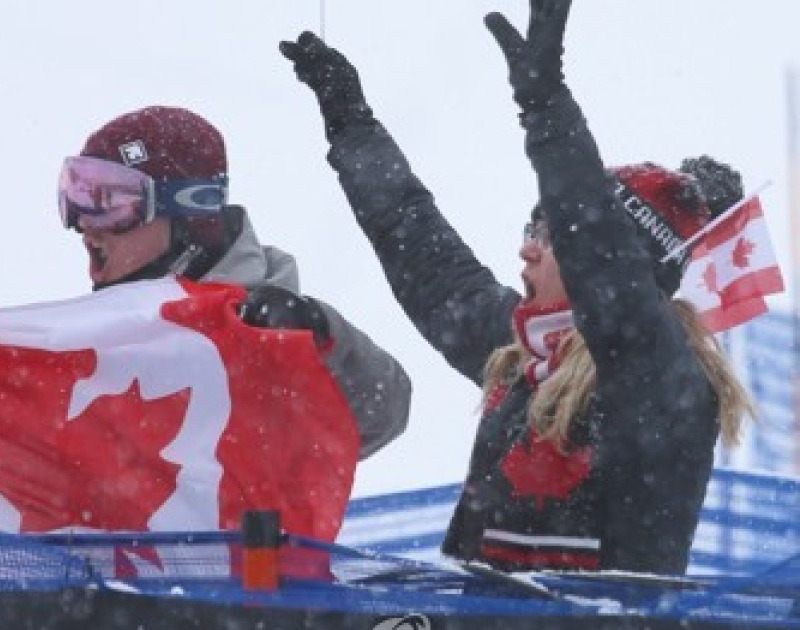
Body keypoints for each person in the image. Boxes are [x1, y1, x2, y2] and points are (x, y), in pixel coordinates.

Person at [280, 0, 752, 574]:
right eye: (532, 228)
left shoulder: (662, 375)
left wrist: (548, 107)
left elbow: (608, 277)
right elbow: (419, 246)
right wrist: (352, 123)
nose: (526, 248)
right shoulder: (522, 354)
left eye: (551, 236)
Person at [59, 105, 411, 460]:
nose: (85, 224)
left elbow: (383, 412)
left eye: (111, 201)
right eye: (79, 194)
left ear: (188, 216)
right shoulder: (92, 338)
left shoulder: (263, 330)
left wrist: (317, 339)